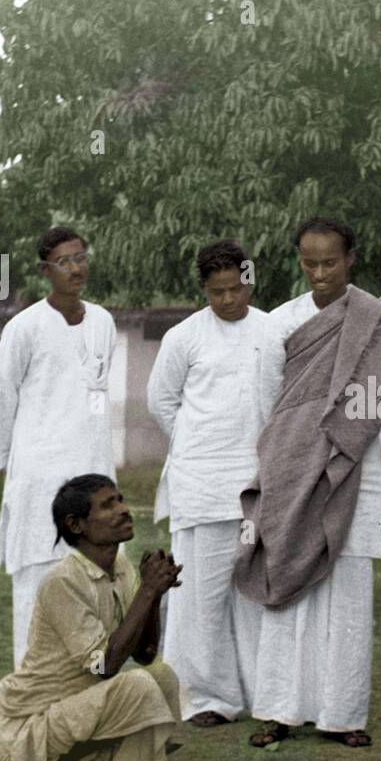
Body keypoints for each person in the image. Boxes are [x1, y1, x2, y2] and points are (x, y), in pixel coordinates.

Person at [234, 217, 381, 749]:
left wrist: (346, 429)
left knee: (347, 600)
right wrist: (289, 456)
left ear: (351, 258)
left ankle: (343, 716)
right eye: (309, 262)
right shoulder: (279, 322)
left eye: (330, 262)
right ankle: (277, 711)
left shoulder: (375, 319)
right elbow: (266, 404)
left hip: (353, 470)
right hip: (289, 474)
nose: (319, 273)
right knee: (288, 588)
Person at [0, 475, 184, 761]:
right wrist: (147, 591)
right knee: (140, 686)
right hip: (26, 727)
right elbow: (105, 666)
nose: (124, 510)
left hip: (74, 709)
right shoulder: (62, 582)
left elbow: (144, 654)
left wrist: (152, 595)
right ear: (76, 525)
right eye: (108, 505)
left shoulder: (122, 567)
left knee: (162, 676)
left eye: (121, 500)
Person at [148, 239, 271, 727]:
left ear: (249, 279)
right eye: (216, 291)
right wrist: (200, 446)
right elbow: (162, 402)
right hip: (199, 484)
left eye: (235, 288)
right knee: (198, 597)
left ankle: (264, 694)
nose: (227, 300)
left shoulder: (272, 330)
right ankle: (204, 699)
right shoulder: (183, 337)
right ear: (204, 289)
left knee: (253, 592)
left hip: (256, 486)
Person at [0, 225, 116, 666]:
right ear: (46, 270)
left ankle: (83, 701)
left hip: (90, 474)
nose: (76, 267)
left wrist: (103, 469)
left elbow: (97, 395)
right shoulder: (24, 328)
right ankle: (30, 696)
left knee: (92, 585)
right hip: (38, 477)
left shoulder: (103, 322)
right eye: (64, 261)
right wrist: (2, 460)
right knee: (38, 585)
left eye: (81, 257)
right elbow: (1, 395)